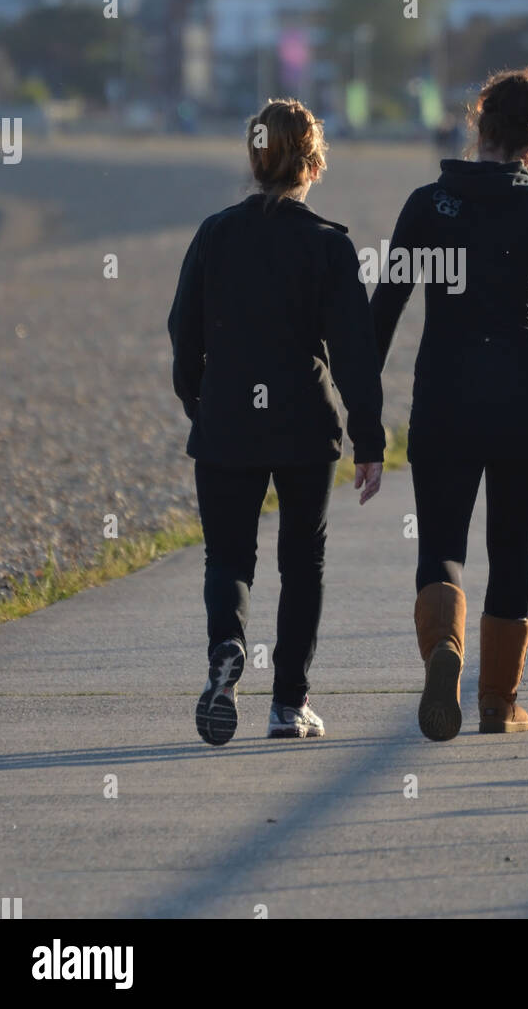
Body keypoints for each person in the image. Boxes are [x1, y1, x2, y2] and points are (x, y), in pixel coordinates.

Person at [370, 67, 528, 742]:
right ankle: (498, 706)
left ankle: (445, 648)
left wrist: (357, 414)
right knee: (511, 548)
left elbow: (381, 315)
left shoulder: (425, 204)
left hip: (443, 395)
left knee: (441, 543)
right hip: (522, 403)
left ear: (478, 127)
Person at [168, 99, 384, 746]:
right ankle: (288, 705)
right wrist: (369, 439)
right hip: (301, 423)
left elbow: (184, 330)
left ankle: (227, 650)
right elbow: (354, 353)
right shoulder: (327, 244)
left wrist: (198, 401)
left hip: (228, 418)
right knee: (302, 562)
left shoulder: (214, 234)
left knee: (228, 557)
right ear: (313, 163)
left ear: (255, 159)